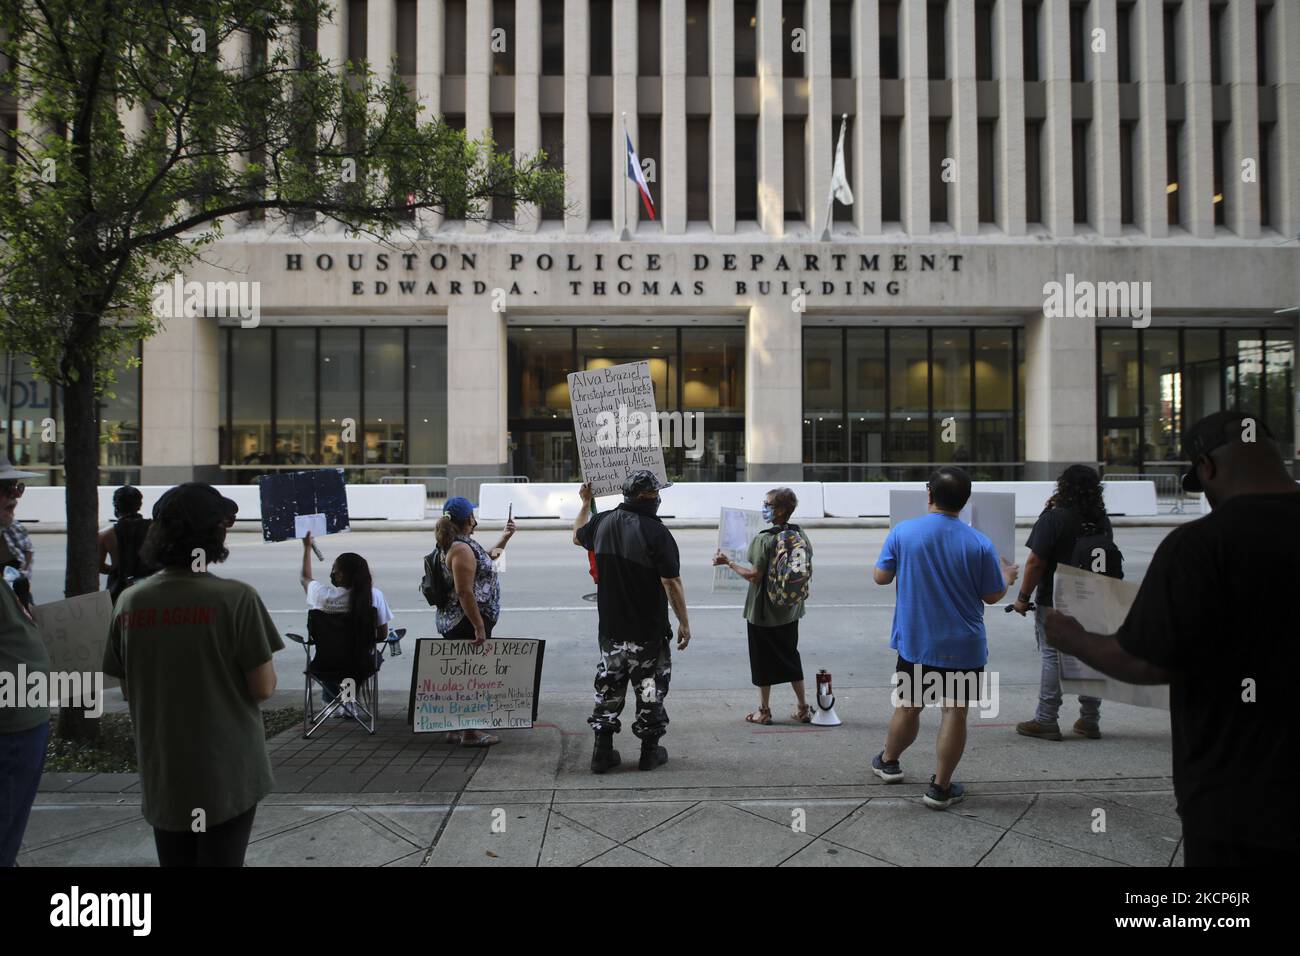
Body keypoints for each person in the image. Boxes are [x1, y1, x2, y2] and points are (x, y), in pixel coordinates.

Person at [1045, 410, 1300, 866]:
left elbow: (1145, 661)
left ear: (1208, 467)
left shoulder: (1200, 545)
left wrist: (1073, 638)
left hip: (1239, 799)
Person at [103, 483, 283, 867]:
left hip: (164, 773)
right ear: (215, 534)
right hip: (227, 774)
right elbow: (263, 687)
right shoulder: (236, 598)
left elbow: (127, 683)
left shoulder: (130, 601)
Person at [870, 466, 1019, 810]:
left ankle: (889, 763)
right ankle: (940, 787)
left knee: (908, 706)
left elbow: (880, 577)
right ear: (965, 503)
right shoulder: (979, 542)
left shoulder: (903, 532)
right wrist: (1007, 576)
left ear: (929, 495)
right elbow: (992, 596)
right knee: (955, 712)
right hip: (963, 646)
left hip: (917, 642)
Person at [573, 471, 691, 774]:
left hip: (611, 631)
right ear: (648, 498)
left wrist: (585, 504)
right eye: (655, 494)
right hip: (647, 632)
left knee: (609, 686)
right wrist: (684, 622)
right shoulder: (656, 532)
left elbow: (577, 535)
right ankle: (649, 752)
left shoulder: (602, 522)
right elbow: (671, 582)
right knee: (649, 687)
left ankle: (602, 751)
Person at [1011, 465, 1114, 740]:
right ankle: (1089, 720)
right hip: (1094, 595)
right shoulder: (1100, 519)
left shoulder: (1054, 518)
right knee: (1089, 655)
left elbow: (1035, 562)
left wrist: (1022, 598)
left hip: (1056, 598)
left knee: (1052, 655)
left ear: (1063, 487)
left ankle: (1046, 719)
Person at [712, 487, 813, 724]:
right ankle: (803, 707)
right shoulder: (800, 534)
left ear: (780, 510)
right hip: (790, 610)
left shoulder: (764, 538)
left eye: (767, 504)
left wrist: (728, 563)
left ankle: (764, 710)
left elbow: (754, 575)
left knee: (762, 661)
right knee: (791, 656)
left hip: (763, 612)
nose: (764, 508)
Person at [434, 495, 515, 747]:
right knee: (470, 678)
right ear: (469, 518)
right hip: (466, 622)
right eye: (473, 515)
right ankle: (469, 733)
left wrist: (506, 537)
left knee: (459, 675)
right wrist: (479, 626)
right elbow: (464, 592)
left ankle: (454, 728)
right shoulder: (460, 549)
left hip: (460, 621)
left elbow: (487, 559)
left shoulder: (459, 544)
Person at [0, 457, 46, 867]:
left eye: (17, 488)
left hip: (21, 718)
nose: (14, 496)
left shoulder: (6, 548)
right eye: (4, 489)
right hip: (10, 724)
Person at [298, 533, 392, 717]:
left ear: (341, 575)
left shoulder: (322, 596)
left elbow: (305, 578)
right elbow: (382, 635)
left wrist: (307, 548)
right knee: (358, 657)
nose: (332, 573)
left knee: (332, 654)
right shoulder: (374, 596)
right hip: (360, 664)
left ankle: (334, 702)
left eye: (335, 569)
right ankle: (348, 702)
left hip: (324, 663)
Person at [98, 485, 154, 602]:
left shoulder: (105, 535)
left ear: (116, 507)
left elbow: (99, 566)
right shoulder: (155, 529)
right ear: (139, 505)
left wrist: (117, 570)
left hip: (118, 591)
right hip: (149, 587)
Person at [1, 514, 35, 610]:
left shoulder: (12, 526)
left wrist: (24, 570)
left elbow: (28, 550)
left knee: (24, 603)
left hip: (14, 569)